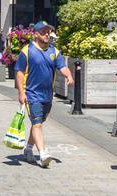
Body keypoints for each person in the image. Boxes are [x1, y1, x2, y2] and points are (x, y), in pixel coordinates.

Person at [14, 22, 73, 168]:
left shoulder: (54, 51)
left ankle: (28, 150)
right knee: (37, 124)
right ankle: (43, 154)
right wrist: (21, 92)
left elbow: (62, 66)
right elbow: (19, 72)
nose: (47, 34)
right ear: (36, 33)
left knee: (38, 123)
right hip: (31, 94)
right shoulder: (27, 51)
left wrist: (69, 76)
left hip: (47, 95)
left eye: (48, 32)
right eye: (43, 32)